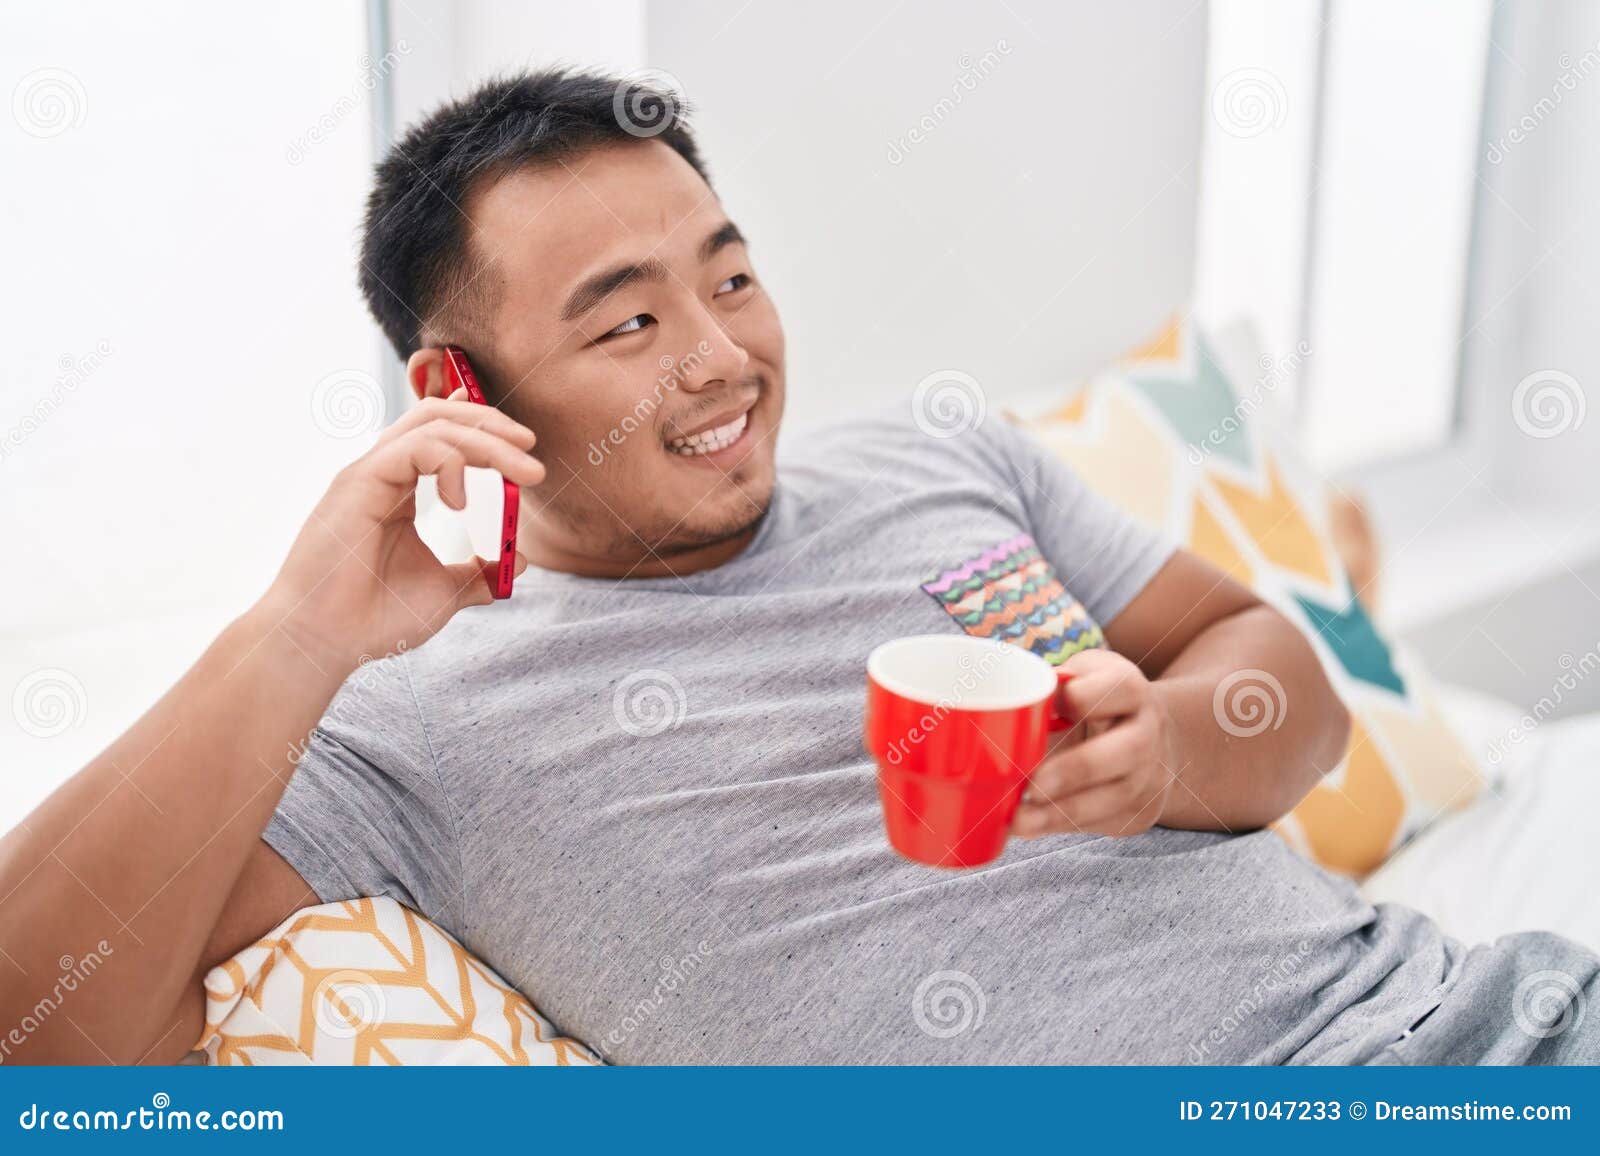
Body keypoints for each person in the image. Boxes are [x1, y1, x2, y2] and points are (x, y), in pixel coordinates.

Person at [2, 70, 1594, 1066]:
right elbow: (34, 1034)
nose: (723, 360)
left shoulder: (940, 454)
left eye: (734, 278)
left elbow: (1288, 688)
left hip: (1495, 1026)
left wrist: (1174, 747)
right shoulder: (410, 724)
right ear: (462, 397)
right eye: (626, 322)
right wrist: (291, 632)